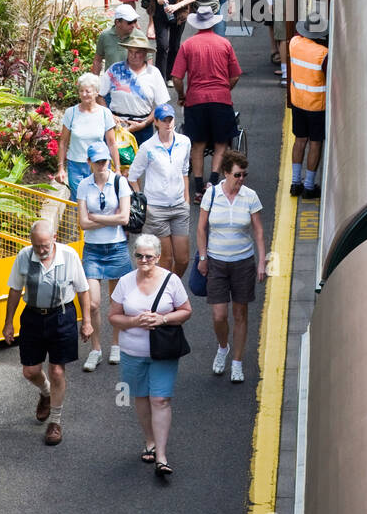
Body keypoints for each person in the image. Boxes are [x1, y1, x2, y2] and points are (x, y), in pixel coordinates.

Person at [109, 234, 192, 479]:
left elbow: (186, 311)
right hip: (132, 352)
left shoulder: (171, 281)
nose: (143, 260)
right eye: (139, 256)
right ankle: (149, 441)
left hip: (163, 352)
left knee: (160, 400)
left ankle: (162, 455)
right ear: (134, 256)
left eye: (149, 256)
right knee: (141, 397)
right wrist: (135, 321)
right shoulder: (125, 282)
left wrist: (162, 319)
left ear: (157, 257)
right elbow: (113, 317)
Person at [3, 220, 91, 446]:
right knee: (30, 371)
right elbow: (14, 289)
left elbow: (83, 290)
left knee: (57, 371)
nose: (41, 251)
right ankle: (46, 392)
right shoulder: (24, 256)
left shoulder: (69, 255)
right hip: (32, 316)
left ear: (54, 238)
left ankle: (55, 421)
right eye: (36, 246)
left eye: (45, 245)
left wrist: (87, 321)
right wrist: (8, 323)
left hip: (62, 316)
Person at [196, 150, 265, 384]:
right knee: (219, 315)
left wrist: (262, 261)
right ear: (225, 173)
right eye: (237, 174)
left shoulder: (250, 196)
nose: (241, 179)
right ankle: (223, 347)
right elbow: (201, 228)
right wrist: (203, 258)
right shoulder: (212, 194)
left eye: (244, 174)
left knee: (240, 313)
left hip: (243, 262)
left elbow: (258, 230)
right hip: (216, 262)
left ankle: (237, 362)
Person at [171, 4, 242, 204]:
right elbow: (235, 75)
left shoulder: (188, 45)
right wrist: (224, 89)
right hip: (221, 99)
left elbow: (176, 78)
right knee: (221, 143)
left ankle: (199, 188)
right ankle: (212, 182)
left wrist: (182, 95)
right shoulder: (224, 44)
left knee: (198, 145)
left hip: (196, 101)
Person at [76, 141, 132, 370]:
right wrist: (110, 218)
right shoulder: (83, 185)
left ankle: (116, 345)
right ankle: (96, 349)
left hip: (117, 247)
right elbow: (82, 223)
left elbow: (125, 218)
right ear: (89, 162)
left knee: (118, 302)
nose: (101, 165)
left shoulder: (120, 182)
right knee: (94, 303)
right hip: (93, 251)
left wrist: (96, 218)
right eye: (97, 161)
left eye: (104, 161)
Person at [128, 105, 191, 278]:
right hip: (156, 210)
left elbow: (185, 171)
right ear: (155, 122)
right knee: (166, 260)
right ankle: (164, 296)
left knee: (183, 259)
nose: (168, 123)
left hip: (179, 207)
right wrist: (143, 203)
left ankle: (170, 287)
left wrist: (186, 199)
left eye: (170, 119)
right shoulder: (147, 147)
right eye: (163, 119)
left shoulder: (184, 142)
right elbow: (133, 176)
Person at [100, 30, 169, 149]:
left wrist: (145, 123)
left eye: (138, 52)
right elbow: (99, 95)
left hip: (143, 128)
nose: (133, 55)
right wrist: (110, 115)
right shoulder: (115, 69)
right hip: (117, 125)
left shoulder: (153, 73)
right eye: (130, 52)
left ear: (145, 54)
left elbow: (161, 104)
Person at [57, 74, 119, 200]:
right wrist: (61, 168)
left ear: (96, 92)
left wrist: (117, 168)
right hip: (76, 164)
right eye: (81, 91)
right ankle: (79, 220)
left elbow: (112, 143)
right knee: (79, 200)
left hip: (99, 164)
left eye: (88, 91)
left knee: (98, 199)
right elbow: (63, 142)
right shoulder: (71, 113)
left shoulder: (105, 113)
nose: (84, 94)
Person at [288, 9, 328, 198]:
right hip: (316, 105)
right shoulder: (323, 54)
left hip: (297, 102)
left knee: (299, 140)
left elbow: (297, 34)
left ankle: (295, 183)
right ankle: (309, 186)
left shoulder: (294, 44)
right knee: (315, 143)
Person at [92, 4, 138, 79]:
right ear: (117, 22)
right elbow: (97, 61)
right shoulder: (105, 36)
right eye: (129, 22)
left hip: (133, 85)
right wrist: (94, 84)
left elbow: (149, 63)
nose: (133, 25)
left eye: (135, 21)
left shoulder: (140, 36)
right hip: (111, 84)